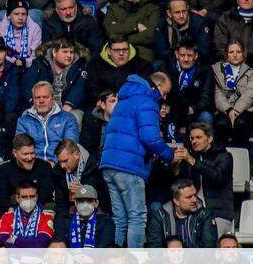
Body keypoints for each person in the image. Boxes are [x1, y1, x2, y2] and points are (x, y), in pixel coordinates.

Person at [99, 71, 176, 248]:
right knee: (137, 217)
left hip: (109, 164)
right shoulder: (146, 101)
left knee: (120, 219)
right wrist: (169, 155)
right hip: (129, 166)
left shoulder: (125, 99)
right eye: (164, 92)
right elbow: (150, 137)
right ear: (157, 86)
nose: (163, 98)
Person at [174, 122, 235, 236]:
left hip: (218, 213)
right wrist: (176, 166)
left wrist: (192, 161)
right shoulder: (191, 158)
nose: (194, 141)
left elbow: (217, 177)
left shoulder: (224, 156)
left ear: (210, 139)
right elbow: (181, 184)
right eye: (192, 138)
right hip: (194, 212)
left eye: (198, 137)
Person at [21, 37, 88, 124]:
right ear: (54, 53)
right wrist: (37, 104)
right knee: (26, 115)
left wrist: (69, 104)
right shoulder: (40, 63)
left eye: (71, 52)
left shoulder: (80, 66)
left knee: (76, 117)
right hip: (42, 105)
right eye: (65, 52)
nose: (69, 55)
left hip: (69, 108)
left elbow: (80, 88)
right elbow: (27, 85)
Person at [212, 38, 253, 145]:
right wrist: (229, 109)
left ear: (243, 54)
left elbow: (252, 92)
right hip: (225, 110)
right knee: (220, 124)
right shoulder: (218, 69)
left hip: (249, 109)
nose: (235, 55)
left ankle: (243, 155)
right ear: (226, 55)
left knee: (241, 123)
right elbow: (218, 95)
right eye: (231, 52)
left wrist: (236, 111)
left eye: (238, 52)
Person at [15, 81, 79, 163]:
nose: (41, 101)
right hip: (32, 165)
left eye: (45, 97)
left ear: (52, 98)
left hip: (58, 166)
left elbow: (70, 148)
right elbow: (20, 148)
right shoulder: (23, 121)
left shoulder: (67, 119)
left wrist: (55, 163)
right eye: (37, 98)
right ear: (33, 100)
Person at [164, 40, 215, 140]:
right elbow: (163, 93)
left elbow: (206, 98)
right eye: (182, 55)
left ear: (196, 56)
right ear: (176, 54)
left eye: (190, 55)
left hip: (194, 111)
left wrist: (192, 109)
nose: (186, 59)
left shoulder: (205, 71)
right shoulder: (168, 68)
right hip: (173, 111)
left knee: (206, 117)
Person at [103, 0, 160, 64]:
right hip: (118, 56)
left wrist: (120, 34)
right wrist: (135, 27)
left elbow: (151, 36)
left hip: (143, 57)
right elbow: (110, 31)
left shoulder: (151, 9)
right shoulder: (113, 9)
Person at [0, 133, 58, 213]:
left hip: (40, 209)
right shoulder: (4, 170)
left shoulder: (44, 167)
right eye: (25, 154)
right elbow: (2, 199)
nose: (29, 158)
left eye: (32, 153)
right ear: (15, 153)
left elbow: (45, 195)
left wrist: (15, 198)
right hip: (13, 211)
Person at [145, 179, 218, 247]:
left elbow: (209, 248)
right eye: (189, 197)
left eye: (195, 195)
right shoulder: (160, 216)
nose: (194, 200)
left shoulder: (205, 215)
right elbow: (155, 248)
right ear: (176, 201)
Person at [86, 34, 152, 99]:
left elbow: (147, 90)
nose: (121, 53)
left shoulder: (143, 66)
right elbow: (92, 90)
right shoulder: (96, 65)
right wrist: (104, 99)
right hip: (105, 104)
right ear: (109, 51)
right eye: (116, 50)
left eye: (125, 49)